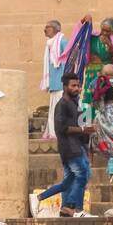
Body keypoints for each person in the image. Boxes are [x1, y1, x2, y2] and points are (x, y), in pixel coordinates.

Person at [31, 75, 93, 217]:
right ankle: (73, 208)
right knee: (82, 175)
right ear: (65, 87)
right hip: (69, 149)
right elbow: (61, 128)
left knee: (68, 182)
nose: (77, 88)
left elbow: (82, 125)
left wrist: (87, 136)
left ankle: (40, 198)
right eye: (73, 86)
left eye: (78, 86)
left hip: (78, 147)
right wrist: (83, 130)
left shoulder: (76, 103)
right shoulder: (62, 104)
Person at [39, 20, 67, 140]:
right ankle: (54, 133)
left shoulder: (62, 42)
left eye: (48, 27)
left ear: (56, 29)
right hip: (54, 84)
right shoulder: (50, 44)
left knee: (60, 110)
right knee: (53, 110)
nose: (45, 30)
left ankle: (60, 132)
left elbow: (68, 60)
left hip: (61, 83)